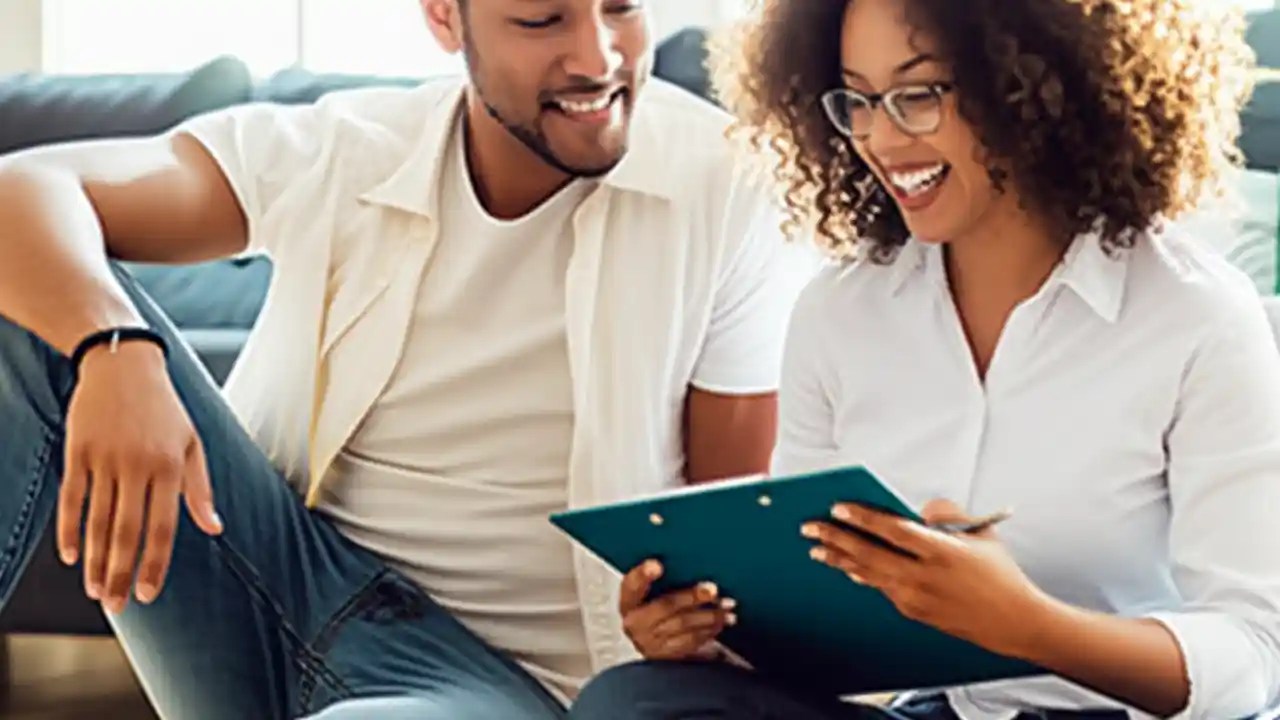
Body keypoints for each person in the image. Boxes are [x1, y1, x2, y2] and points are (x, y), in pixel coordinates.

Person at [0, 0, 814, 717]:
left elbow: (729, 536)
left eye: (622, 9)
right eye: (541, 20)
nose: (597, 58)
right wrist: (115, 350)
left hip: (492, 683)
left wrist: (685, 627)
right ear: (443, 17)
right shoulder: (350, 149)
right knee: (32, 304)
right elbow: (23, 189)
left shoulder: (723, 185)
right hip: (272, 574)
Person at [571, 0, 1280, 718]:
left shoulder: (1197, 317)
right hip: (927, 710)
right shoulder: (839, 313)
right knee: (636, 699)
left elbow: (1255, 655)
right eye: (858, 100)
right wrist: (714, 640)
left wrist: (1033, 628)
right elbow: (813, 617)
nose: (880, 136)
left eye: (918, 95)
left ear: (1041, 86)